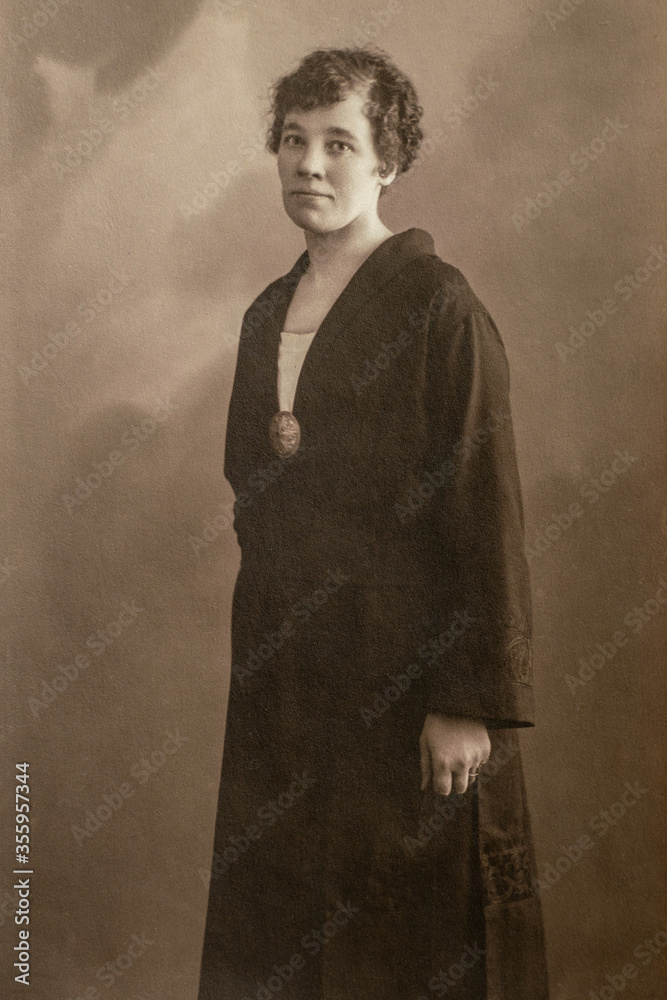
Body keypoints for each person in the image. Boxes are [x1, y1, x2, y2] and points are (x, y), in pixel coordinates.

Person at [198, 47, 549, 1000]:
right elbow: (252, 480)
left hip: (409, 686)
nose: (309, 164)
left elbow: (484, 507)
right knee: (282, 938)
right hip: (287, 677)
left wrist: (466, 697)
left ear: (387, 161)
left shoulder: (439, 308)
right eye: (293, 140)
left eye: (340, 143)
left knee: (410, 945)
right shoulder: (267, 312)